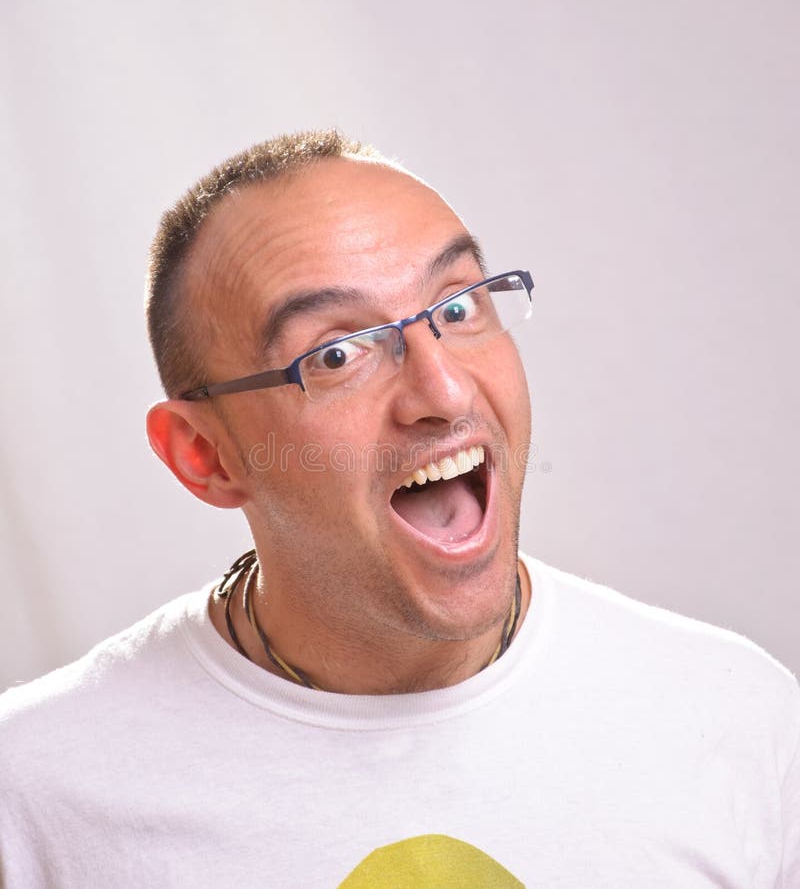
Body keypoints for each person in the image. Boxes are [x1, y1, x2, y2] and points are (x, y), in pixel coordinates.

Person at [0, 130, 797, 888]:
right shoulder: (32, 794)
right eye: (335, 354)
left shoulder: (735, 715)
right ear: (205, 456)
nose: (443, 391)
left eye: (457, 309)